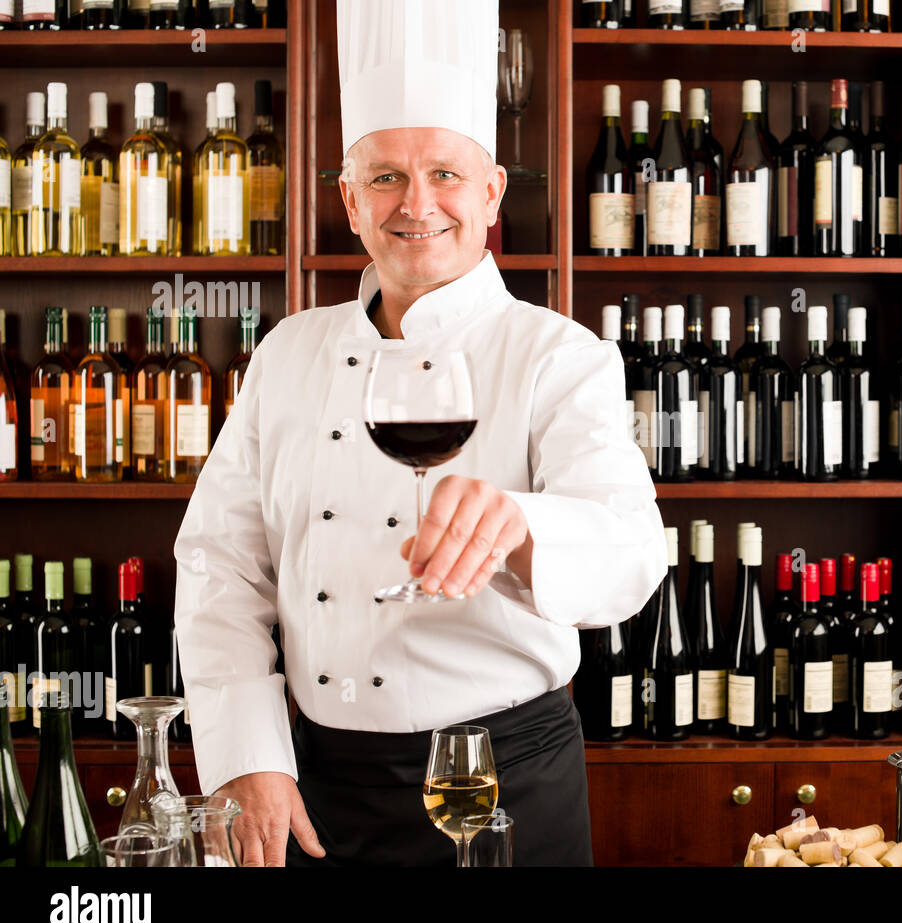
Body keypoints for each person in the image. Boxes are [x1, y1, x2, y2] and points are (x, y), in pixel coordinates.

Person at [172, 0, 665, 866]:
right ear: (350, 202)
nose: (418, 203)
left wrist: (522, 528)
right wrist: (248, 754)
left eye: (444, 172)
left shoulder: (559, 356)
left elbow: (631, 551)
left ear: (491, 192)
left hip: (505, 778)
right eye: (387, 177)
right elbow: (220, 561)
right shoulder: (289, 354)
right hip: (321, 787)